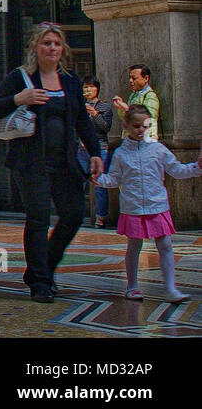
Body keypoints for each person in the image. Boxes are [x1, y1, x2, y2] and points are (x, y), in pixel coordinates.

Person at [0, 22, 103, 304]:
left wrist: (95, 152)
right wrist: (19, 98)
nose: (52, 48)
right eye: (46, 43)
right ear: (35, 47)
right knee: (38, 219)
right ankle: (40, 283)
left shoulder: (70, 81)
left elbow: (82, 121)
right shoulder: (20, 77)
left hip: (65, 162)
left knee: (73, 214)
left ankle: (44, 269)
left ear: (63, 49)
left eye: (57, 43)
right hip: (30, 163)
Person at [93, 104, 201, 302]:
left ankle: (171, 288)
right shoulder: (121, 153)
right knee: (134, 246)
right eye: (136, 126)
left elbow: (177, 170)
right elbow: (114, 179)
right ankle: (132, 286)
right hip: (133, 208)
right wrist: (97, 178)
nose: (141, 130)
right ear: (126, 126)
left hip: (157, 206)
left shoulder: (158, 149)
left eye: (145, 126)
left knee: (165, 245)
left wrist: (196, 167)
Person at [83, 77, 113, 228]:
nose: (88, 90)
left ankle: (101, 216)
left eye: (91, 87)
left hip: (100, 147)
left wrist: (94, 113)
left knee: (100, 183)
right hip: (81, 148)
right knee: (77, 180)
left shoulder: (104, 107)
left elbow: (105, 127)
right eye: (85, 87)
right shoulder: (79, 105)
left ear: (97, 89)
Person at [113, 63, 160, 143]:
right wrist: (121, 108)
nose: (131, 81)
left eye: (134, 78)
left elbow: (147, 119)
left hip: (145, 140)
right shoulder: (133, 95)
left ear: (146, 78)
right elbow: (126, 117)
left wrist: (126, 109)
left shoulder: (150, 96)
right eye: (130, 78)